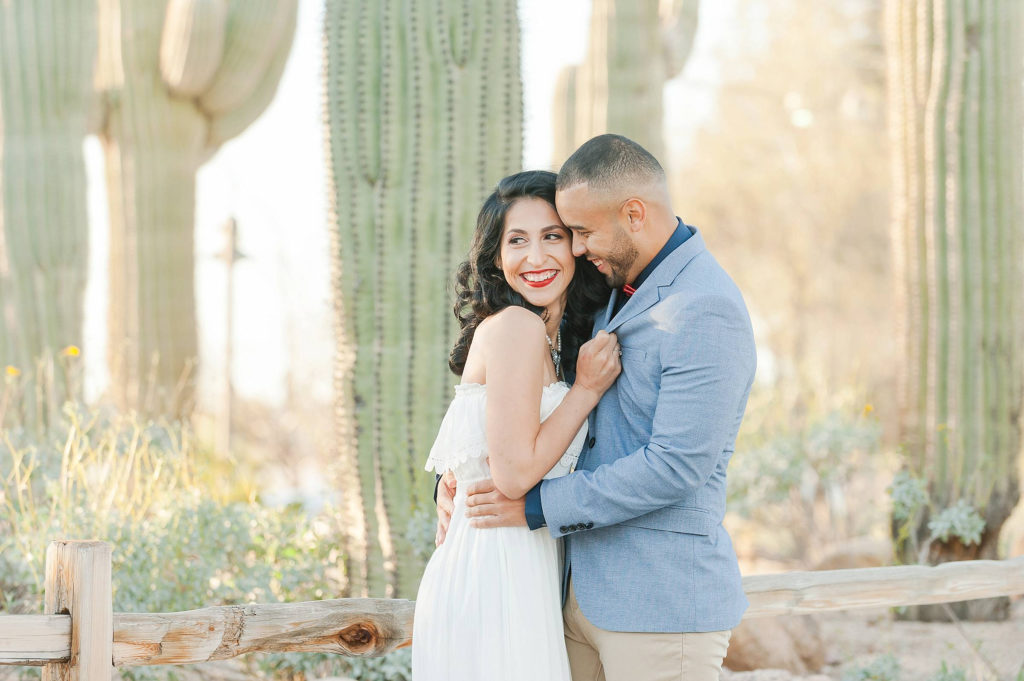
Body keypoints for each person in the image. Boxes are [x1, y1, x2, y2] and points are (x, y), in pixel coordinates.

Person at [443, 134, 757, 681]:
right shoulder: (606, 291)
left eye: (579, 233)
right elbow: (511, 410)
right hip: (567, 595)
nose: (575, 248)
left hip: (658, 603)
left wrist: (536, 506)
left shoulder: (704, 307)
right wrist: (457, 479)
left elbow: (676, 466)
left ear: (634, 214)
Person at [412, 170, 622, 681]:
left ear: (576, 246)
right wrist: (586, 391)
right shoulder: (516, 327)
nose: (536, 257)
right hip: (495, 570)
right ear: (495, 257)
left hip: (522, 563)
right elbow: (512, 475)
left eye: (552, 236)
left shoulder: (551, 337)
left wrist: (450, 482)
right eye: (517, 241)